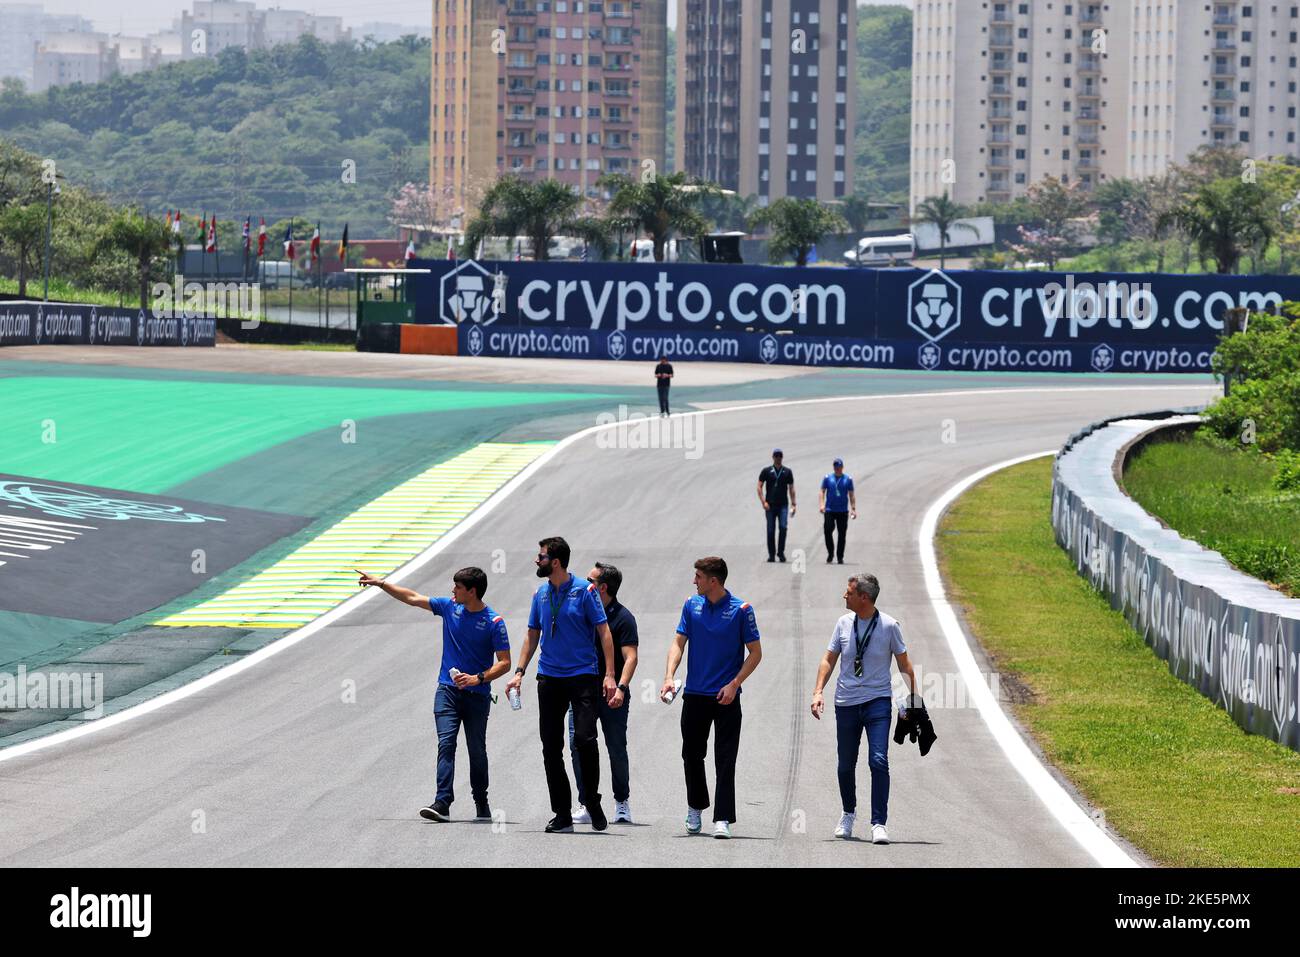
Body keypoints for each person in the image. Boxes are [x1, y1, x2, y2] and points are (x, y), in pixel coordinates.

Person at [356, 565, 511, 823]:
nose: (453, 590)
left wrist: (477, 678)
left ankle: (481, 800)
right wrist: (381, 584)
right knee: (446, 744)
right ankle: (442, 802)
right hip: (447, 692)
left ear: (472, 591)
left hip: (478, 696)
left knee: (476, 749)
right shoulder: (450, 607)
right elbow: (413, 598)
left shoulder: (494, 622)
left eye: (458, 587)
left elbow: (504, 662)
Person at [504, 536, 618, 833]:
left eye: (540, 557)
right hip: (550, 677)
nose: (536, 561)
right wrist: (519, 672)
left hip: (582, 676)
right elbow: (532, 634)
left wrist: (609, 675)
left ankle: (592, 801)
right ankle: (562, 813)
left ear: (555, 562)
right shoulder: (540, 594)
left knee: (583, 739)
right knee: (551, 747)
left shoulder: (585, 591)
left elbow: (604, 632)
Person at [810, 573, 919, 844]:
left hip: (877, 702)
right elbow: (828, 659)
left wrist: (915, 702)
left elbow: (905, 665)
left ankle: (878, 823)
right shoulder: (843, 624)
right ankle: (848, 813)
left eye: (848, 592)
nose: (844, 596)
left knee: (878, 760)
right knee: (845, 765)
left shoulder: (889, 626)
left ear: (864, 598)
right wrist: (818, 691)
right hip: (846, 703)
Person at [661, 556, 763, 839]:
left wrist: (735, 684)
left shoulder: (741, 610)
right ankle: (696, 806)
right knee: (691, 755)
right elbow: (678, 643)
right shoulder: (691, 605)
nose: (694, 581)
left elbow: (755, 653)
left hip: (727, 697)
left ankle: (723, 819)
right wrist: (669, 676)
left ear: (713, 581)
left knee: (725, 759)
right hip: (694, 695)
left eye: (698, 577)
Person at [569, 562, 638, 825]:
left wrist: (620, 687)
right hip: (581, 693)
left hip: (612, 695)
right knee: (578, 747)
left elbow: (630, 657)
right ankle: (587, 803)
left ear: (602, 587)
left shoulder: (623, 618)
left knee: (616, 747)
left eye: (590, 580)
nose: (585, 584)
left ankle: (622, 802)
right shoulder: (582, 613)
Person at [757, 448, 796, 563]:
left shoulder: (787, 471)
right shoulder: (767, 471)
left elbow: (791, 488)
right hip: (770, 505)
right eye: (776, 456)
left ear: (782, 457)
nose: (778, 458)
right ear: (773, 457)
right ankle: (771, 554)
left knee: (783, 528)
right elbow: (759, 486)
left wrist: (794, 504)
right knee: (770, 530)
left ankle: (781, 552)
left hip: (783, 505)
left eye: (780, 456)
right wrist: (763, 501)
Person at [819, 458, 857, 564]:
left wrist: (853, 509)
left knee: (842, 534)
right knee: (827, 530)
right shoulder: (828, 478)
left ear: (842, 467)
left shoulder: (848, 479)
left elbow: (851, 495)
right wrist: (822, 505)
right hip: (830, 510)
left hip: (842, 511)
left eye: (839, 467)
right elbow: (822, 491)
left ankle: (840, 556)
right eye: (836, 467)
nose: (837, 469)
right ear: (833, 467)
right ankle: (830, 553)